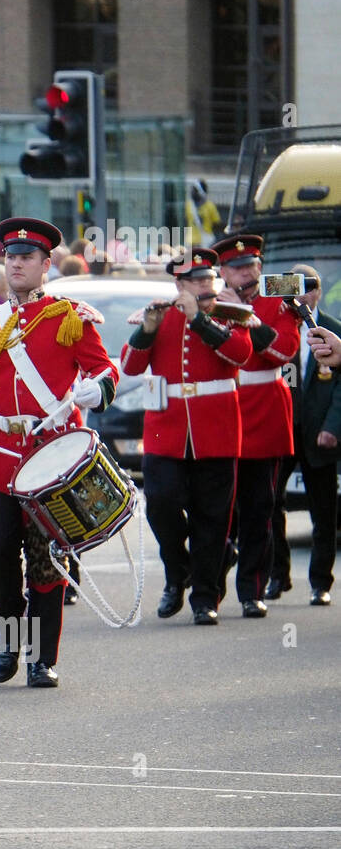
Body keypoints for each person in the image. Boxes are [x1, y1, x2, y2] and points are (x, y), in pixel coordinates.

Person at [0, 217, 118, 685]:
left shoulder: (69, 316)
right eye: (11, 257)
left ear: (46, 265)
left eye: (27, 258)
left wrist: (98, 389)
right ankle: (9, 637)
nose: (17, 264)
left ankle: (42, 657)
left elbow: (105, 369)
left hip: (53, 454)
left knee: (48, 555)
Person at [120, 247, 253, 624]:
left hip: (217, 429)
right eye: (196, 281)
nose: (205, 286)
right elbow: (130, 367)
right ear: (179, 285)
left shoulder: (231, 314)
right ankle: (177, 573)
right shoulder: (161, 315)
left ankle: (205, 597)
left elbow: (240, 355)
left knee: (212, 517)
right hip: (166, 430)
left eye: (208, 279)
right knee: (161, 504)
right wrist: (147, 330)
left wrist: (201, 321)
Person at [210, 234, 300, 617]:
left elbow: (284, 351)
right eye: (237, 268)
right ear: (223, 273)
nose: (246, 273)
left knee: (260, 509)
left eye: (252, 266)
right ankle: (208, 592)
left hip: (263, 414)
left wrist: (247, 317)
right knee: (214, 511)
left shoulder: (277, 298)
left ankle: (252, 590)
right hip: (219, 413)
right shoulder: (209, 301)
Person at [267, 265, 338, 607]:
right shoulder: (278, 329)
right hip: (282, 432)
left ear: (319, 293)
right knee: (269, 504)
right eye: (296, 288)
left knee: (323, 513)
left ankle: (320, 582)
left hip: (318, 434)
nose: (303, 295)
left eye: (310, 288)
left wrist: (332, 429)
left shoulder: (331, 331)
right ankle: (278, 574)